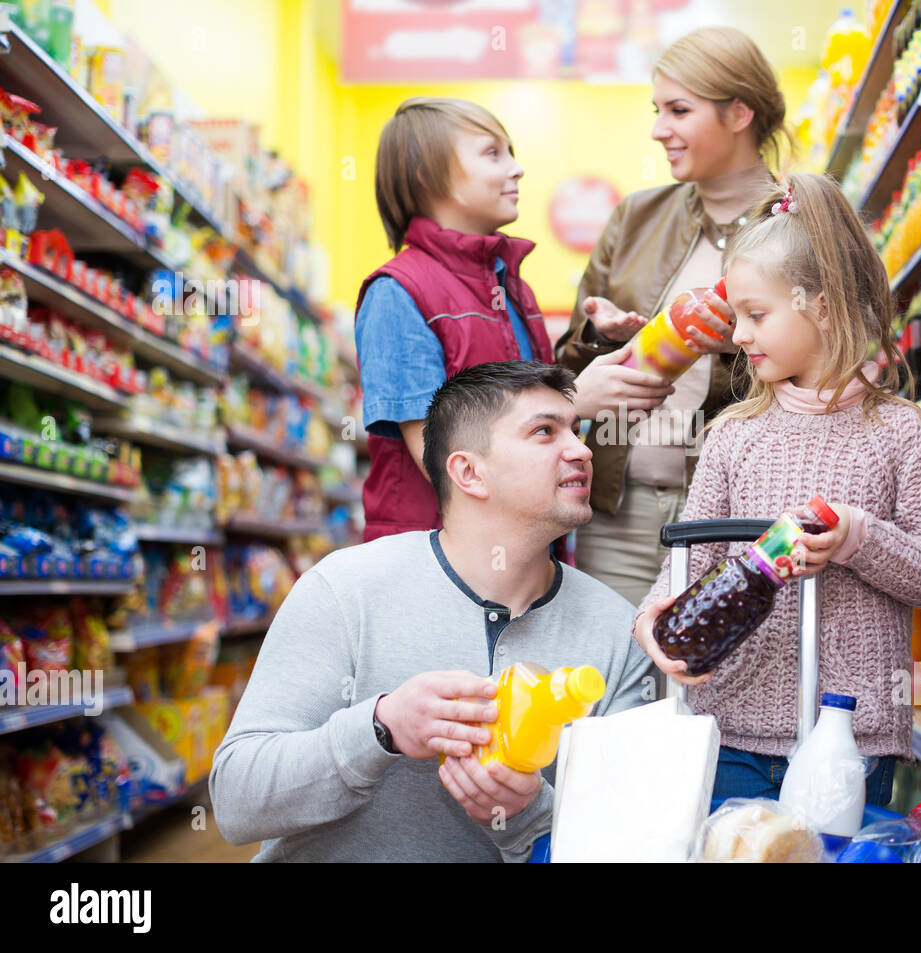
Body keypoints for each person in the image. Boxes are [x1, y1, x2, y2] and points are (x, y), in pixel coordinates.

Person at [211, 362, 655, 862]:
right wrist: (381, 728)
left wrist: (529, 813)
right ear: (469, 472)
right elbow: (236, 801)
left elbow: (629, 840)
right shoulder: (344, 590)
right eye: (544, 432)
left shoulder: (619, 633)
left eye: (576, 430)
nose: (581, 450)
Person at [632, 174, 921, 807]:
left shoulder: (901, 431)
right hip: (730, 733)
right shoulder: (734, 436)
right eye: (736, 315)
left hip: (851, 741)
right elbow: (691, 563)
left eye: (756, 315)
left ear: (821, 305)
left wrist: (857, 538)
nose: (737, 334)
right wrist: (656, 618)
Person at [355, 97, 673, 542]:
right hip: (437, 563)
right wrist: (571, 406)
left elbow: (521, 401)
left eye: (511, 152)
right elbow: (438, 457)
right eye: (492, 153)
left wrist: (596, 343)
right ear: (428, 175)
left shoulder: (511, 286)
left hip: (518, 552)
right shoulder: (397, 292)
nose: (517, 168)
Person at [554, 26, 791, 604]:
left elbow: (847, 367)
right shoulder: (634, 219)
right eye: (657, 110)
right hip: (620, 511)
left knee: (725, 681)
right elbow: (563, 364)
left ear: (739, 113)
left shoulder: (801, 225)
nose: (660, 129)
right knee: (623, 682)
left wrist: (744, 343)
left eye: (679, 110)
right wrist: (596, 336)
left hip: (743, 512)